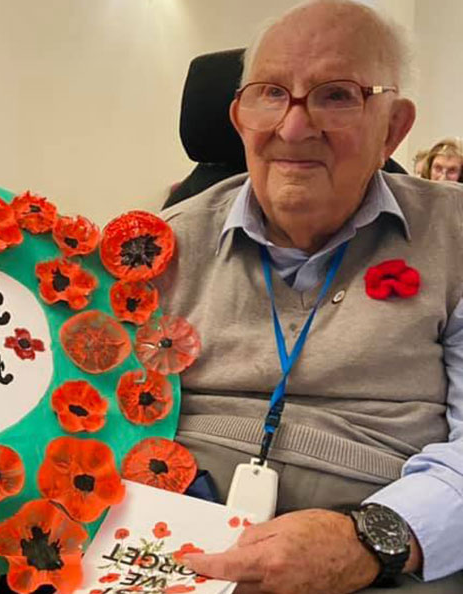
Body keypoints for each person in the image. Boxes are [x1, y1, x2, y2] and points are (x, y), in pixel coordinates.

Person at [156, 1, 463, 593]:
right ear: (240, 118)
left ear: (394, 127)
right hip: (175, 520)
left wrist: (375, 538)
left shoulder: (455, 236)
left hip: (386, 531)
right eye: (270, 93)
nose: (293, 127)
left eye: (336, 95)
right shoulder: (160, 244)